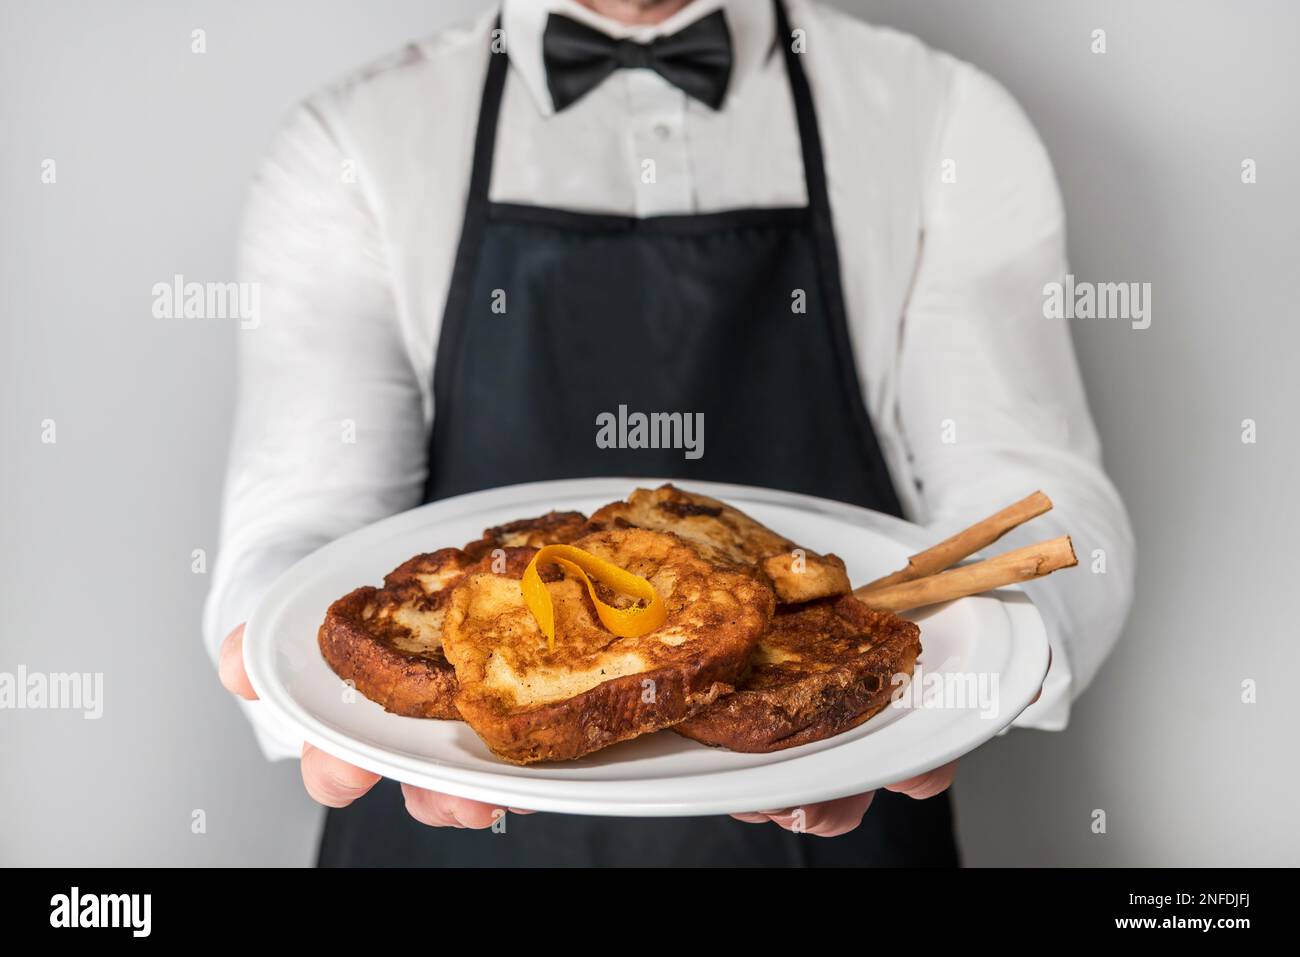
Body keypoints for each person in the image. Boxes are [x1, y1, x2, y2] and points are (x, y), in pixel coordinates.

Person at [207, 0, 1134, 866]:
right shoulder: (350, 140)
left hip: (834, 808)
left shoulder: (942, 119)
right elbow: (304, 515)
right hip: (447, 803)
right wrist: (283, 662)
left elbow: (1031, 484)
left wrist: (984, 671)